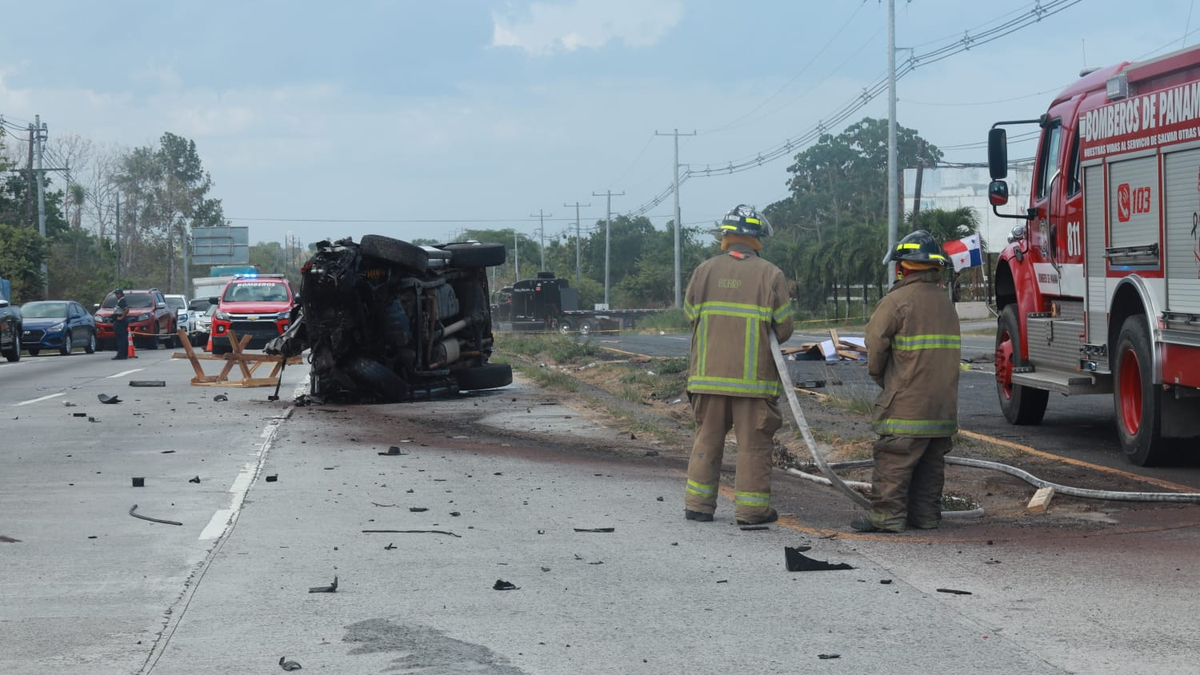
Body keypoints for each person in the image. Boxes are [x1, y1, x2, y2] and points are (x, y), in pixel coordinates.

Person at [682, 204, 794, 525]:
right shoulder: (771, 275)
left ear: (726, 237)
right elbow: (783, 328)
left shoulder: (704, 270)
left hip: (706, 378)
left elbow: (690, 314)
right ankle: (751, 512)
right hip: (753, 384)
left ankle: (698, 506)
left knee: (707, 440)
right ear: (757, 239)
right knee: (753, 448)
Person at [850, 230, 961, 533]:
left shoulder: (896, 302)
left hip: (906, 407)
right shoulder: (946, 305)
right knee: (930, 466)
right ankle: (925, 517)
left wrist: (886, 381)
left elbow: (875, 349)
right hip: (941, 409)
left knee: (893, 461)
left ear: (903, 267)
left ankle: (887, 517)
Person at [111, 289, 130, 360]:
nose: (116, 295)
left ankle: (121, 354)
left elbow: (127, 309)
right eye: (116, 294)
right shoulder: (120, 301)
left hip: (120, 322)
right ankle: (124, 354)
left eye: (118, 294)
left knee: (121, 339)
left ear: (121, 294)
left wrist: (122, 317)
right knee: (123, 338)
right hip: (119, 321)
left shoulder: (122, 301)